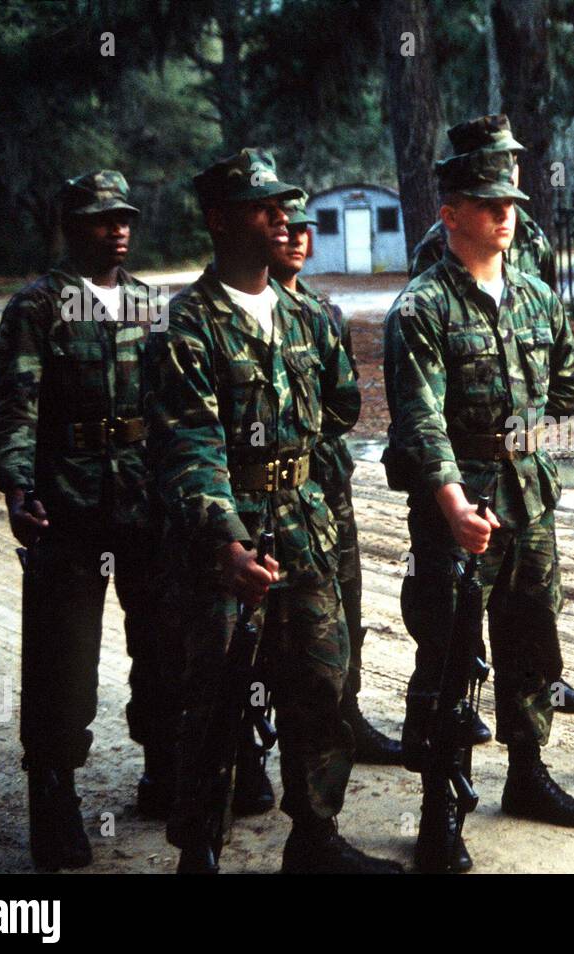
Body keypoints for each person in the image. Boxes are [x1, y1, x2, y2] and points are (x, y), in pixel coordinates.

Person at [144, 148, 399, 873]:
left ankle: (314, 838)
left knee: (322, 683)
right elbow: (189, 447)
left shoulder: (306, 315)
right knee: (215, 700)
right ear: (221, 219)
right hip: (224, 544)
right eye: (264, 206)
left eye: (284, 204)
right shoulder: (187, 326)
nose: (282, 217)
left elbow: (339, 407)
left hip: (303, 528)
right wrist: (225, 543)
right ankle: (200, 848)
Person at [384, 147, 574, 873]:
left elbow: (570, 389)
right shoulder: (423, 305)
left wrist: (525, 435)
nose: (505, 213)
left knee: (533, 640)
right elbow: (420, 420)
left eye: (511, 202)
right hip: (459, 504)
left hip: (528, 499)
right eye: (487, 203)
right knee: (450, 658)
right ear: (449, 214)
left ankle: (528, 774)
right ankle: (440, 810)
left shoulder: (538, 296)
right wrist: (450, 502)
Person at [0, 170, 177, 870]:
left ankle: (163, 770)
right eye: (100, 219)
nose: (117, 228)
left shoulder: (145, 301)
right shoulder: (38, 306)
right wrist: (16, 485)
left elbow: (168, 401)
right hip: (67, 505)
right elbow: (16, 402)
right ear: (72, 226)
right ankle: (55, 795)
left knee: (160, 640)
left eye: (122, 217)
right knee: (63, 658)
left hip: (142, 499)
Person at [268, 196, 405, 766]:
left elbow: (345, 403)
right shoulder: (231, 313)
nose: (299, 238)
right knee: (262, 625)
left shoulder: (325, 313)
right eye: (286, 229)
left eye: (306, 228)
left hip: (326, 484)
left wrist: (309, 432)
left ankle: (345, 717)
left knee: (342, 605)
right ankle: (249, 751)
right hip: (264, 495)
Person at [408, 115, 562, 300]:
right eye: (496, 160)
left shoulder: (533, 238)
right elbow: (421, 307)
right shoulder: (437, 244)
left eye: (512, 159)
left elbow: (551, 307)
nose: (508, 170)